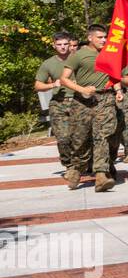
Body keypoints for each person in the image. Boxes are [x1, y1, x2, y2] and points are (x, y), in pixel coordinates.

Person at [61, 25, 124, 192]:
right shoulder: (78, 56)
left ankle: (101, 175)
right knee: (80, 139)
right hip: (82, 102)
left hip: (106, 98)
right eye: (100, 37)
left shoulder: (109, 54)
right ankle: (76, 168)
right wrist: (82, 90)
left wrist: (118, 90)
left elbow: (113, 75)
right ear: (90, 38)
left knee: (103, 136)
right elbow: (64, 79)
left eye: (105, 37)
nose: (104, 40)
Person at [35, 32, 76, 184]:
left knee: (82, 137)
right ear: (54, 45)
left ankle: (86, 162)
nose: (63, 47)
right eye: (59, 44)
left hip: (79, 102)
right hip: (58, 104)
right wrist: (53, 84)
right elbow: (38, 85)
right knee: (63, 138)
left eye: (65, 44)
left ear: (70, 44)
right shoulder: (48, 63)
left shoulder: (78, 59)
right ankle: (69, 166)